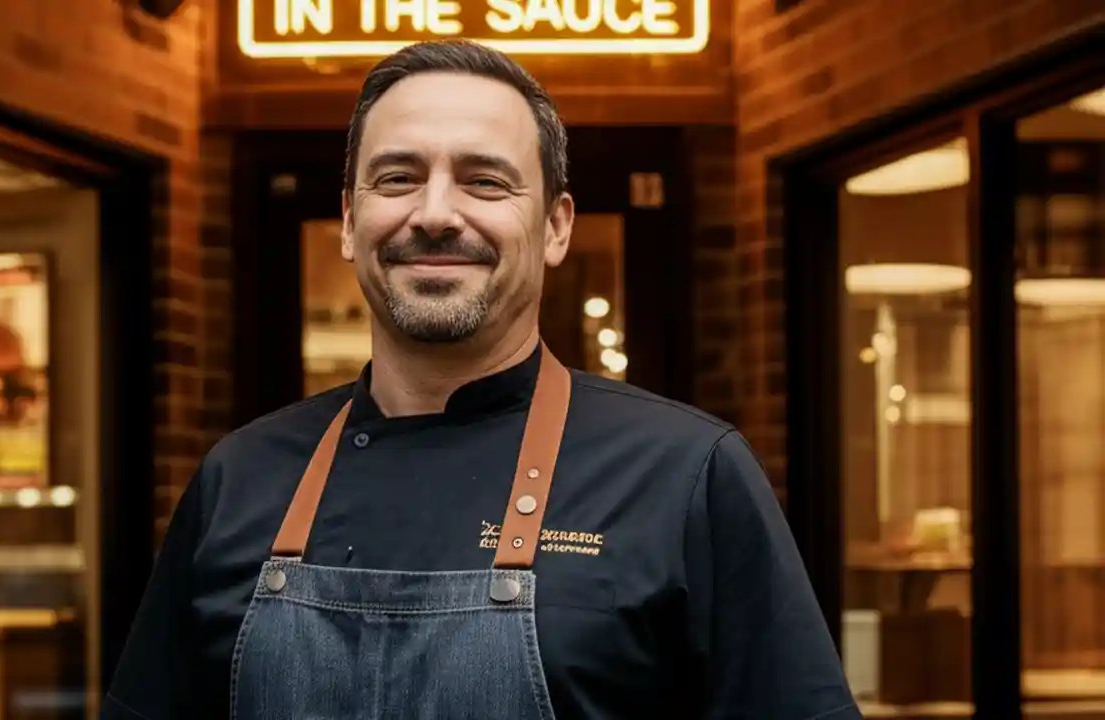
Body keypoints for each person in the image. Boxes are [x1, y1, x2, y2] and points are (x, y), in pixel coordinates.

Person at [103, 39, 860, 720]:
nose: (434, 213)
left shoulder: (689, 475)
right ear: (346, 220)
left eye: (485, 182)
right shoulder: (239, 477)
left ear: (557, 226)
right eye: (397, 177)